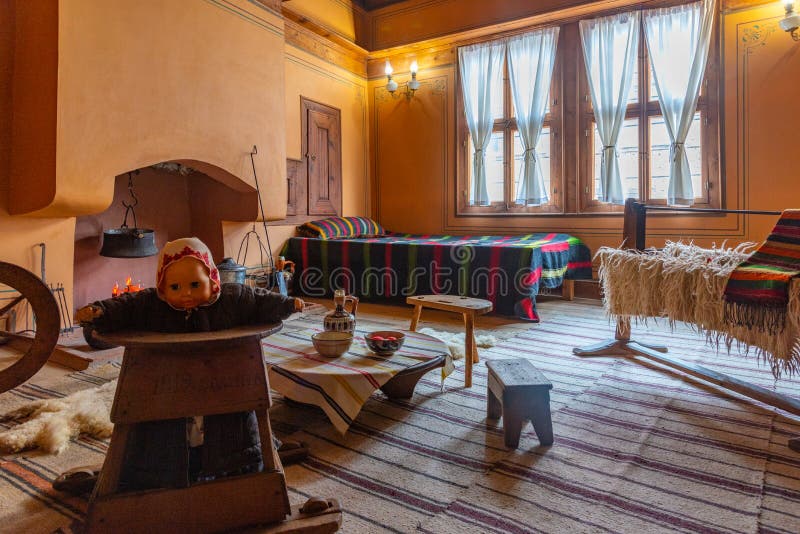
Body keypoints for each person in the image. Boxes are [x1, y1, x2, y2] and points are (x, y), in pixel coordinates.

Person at [72, 237, 306, 491]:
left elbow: (256, 300)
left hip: (221, 388)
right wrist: (101, 312)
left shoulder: (230, 299)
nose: (186, 293)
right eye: (175, 287)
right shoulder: (153, 305)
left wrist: (286, 304)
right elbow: (127, 306)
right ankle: (152, 471)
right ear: (163, 288)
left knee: (231, 427)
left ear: (212, 280)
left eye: (195, 285)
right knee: (158, 428)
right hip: (170, 391)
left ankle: (240, 462)